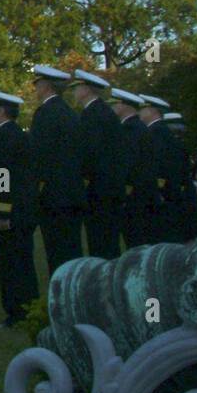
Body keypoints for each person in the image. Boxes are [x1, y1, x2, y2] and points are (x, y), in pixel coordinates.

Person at [0, 89, 39, 325]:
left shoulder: (5, 138)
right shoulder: (16, 135)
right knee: (22, 261)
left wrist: (2, 210)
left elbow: (3, 176)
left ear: (1, 111)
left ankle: (17, 311)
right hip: (23, 209)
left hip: (12, 210)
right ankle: (27, 308)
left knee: (11, 263)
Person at [29, 65, 86, 274]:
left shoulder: (45, 114)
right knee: (73, 249)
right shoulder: (69, 113)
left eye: (37, 85)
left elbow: (39, 155)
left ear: (45, 86)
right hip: (73, 192)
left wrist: (38, 188)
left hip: (53, 196)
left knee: (57, 252)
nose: (36, 90)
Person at [68, 70, 127, 258]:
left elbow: (90, 153)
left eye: (77, 88)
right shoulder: (102, 112)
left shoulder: (93, 115)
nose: (74, 92)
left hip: (100, 190)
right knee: (106, 241)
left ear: (86, 89)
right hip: (108, 188)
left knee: (102, 243)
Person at [140, 96, 196, 243]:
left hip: (164, 193)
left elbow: (160, 165)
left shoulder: (155, 132)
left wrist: (159, 189)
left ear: (152, 111)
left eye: (143, 108)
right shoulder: (159, 131)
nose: (140, 112)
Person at [110, 89, 156, 248]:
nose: (113, 108)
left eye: (115, 104)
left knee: (136, 240)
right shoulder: (140, 127)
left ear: (124, 106)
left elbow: (128, 162)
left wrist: (124, 189)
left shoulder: (129, 129)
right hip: (145, 193)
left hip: (135, 195)